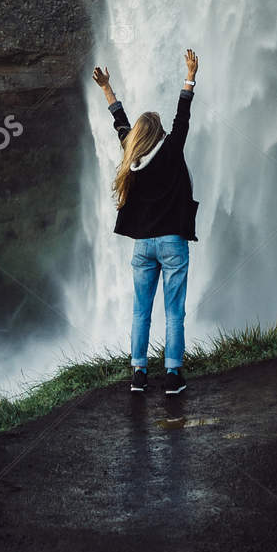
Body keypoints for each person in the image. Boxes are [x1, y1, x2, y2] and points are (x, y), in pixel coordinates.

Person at [92, 50, 200, 396]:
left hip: (142, 247)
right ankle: (172, 376)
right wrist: (189, 77)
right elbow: (182, 118)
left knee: (141, 312)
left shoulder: (131, 155)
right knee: (174, 312)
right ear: (161, 135)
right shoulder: (171, 151)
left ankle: (138, 374)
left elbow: (120, 123)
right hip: (171, 243)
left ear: (140, 136)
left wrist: (107, 89)